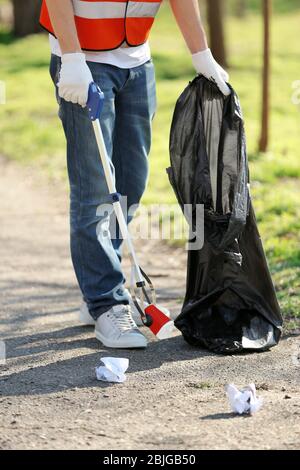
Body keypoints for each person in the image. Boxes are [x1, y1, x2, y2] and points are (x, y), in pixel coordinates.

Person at [40, 0, 230, 349]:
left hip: (138, 63)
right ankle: (106, 301)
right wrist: (71, 57)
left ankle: (97, 287)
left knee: (130, 183)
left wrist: (201, 53)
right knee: (96, 187)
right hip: (84, 61)